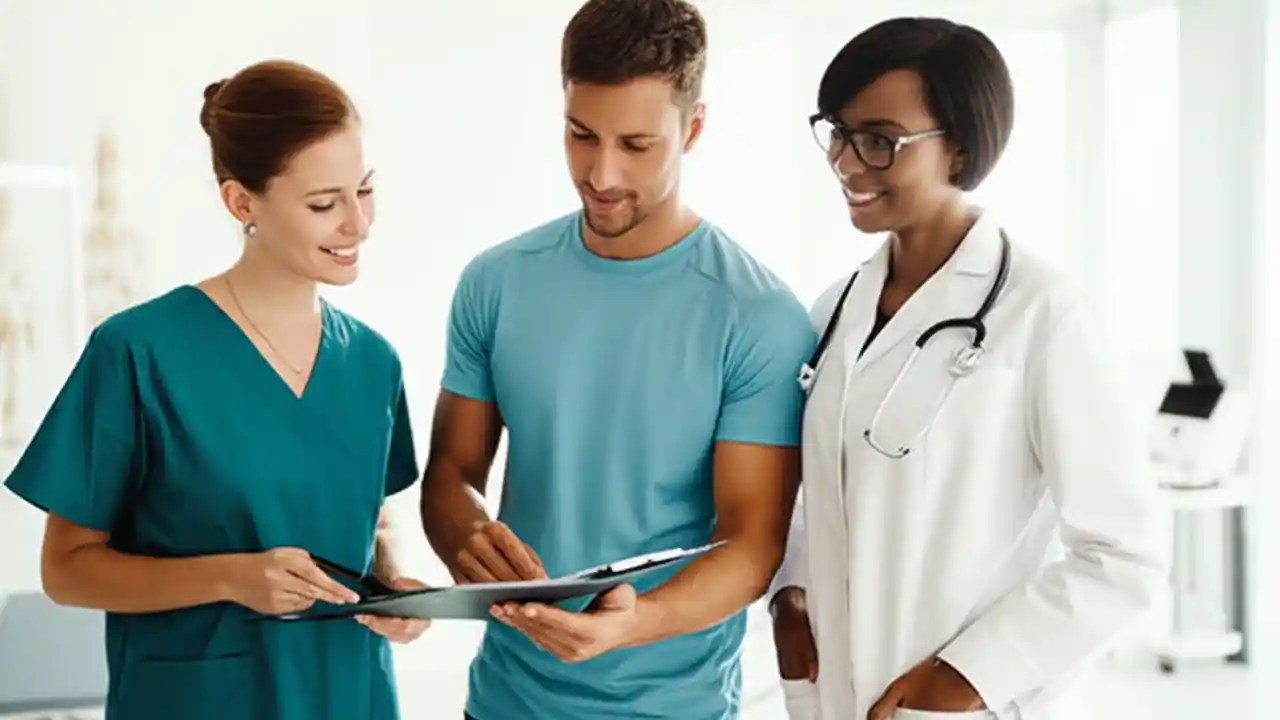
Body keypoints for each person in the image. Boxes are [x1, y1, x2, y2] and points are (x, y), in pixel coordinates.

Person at [417, 1, 816, 718]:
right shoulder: (496, 282)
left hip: (673, 707)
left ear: (692, 129)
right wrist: (470, 539)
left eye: (636, 145)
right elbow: (450, 474)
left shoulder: (758, 317)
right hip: (505, 699)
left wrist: (636, 622)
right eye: (580, 135)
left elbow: (754, 540)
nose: (601, 173)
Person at [2, 60, 429, 720]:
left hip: (349, 693)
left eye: (364, 191)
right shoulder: (140, 353)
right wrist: (230, 577)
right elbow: (67, 569)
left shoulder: (373, 363)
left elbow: (365, 521)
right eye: (324, 204)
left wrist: (392, 589)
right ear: (241, 202)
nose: (358, 223)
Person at [768, 18, 1166, 720]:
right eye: (838, 130)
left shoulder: (1041, 312)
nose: (845, 161)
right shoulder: (836, 310)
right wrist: (790, 601)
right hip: (828, 698)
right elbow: (819, 490)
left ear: (958, 148)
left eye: (879, 141)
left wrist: (968, 676)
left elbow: (1123, 556)